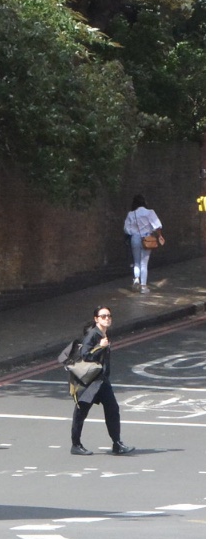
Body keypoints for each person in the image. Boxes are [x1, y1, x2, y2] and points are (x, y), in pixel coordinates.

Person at [68, 306, 135, 456]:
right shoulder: (92, 335)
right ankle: (76, 445)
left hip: (102, 381)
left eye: (109, 316)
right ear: (96, 319)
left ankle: (117, 443)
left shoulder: (103, 333)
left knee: (113, 410)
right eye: (103, 316)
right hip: (89, 382)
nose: (107, 318)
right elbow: (85, 355)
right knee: (80, 413)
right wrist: (100, 347)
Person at [122, 194, 163, 293]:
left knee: (136, 262)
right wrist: (159, 236)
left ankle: (136, 278)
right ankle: (143, 287)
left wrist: (134, 233)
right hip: (147, 238)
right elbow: (158, 226)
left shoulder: (131, 214)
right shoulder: (150, 212)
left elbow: (126, 229)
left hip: (135, 238)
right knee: (144, 263)